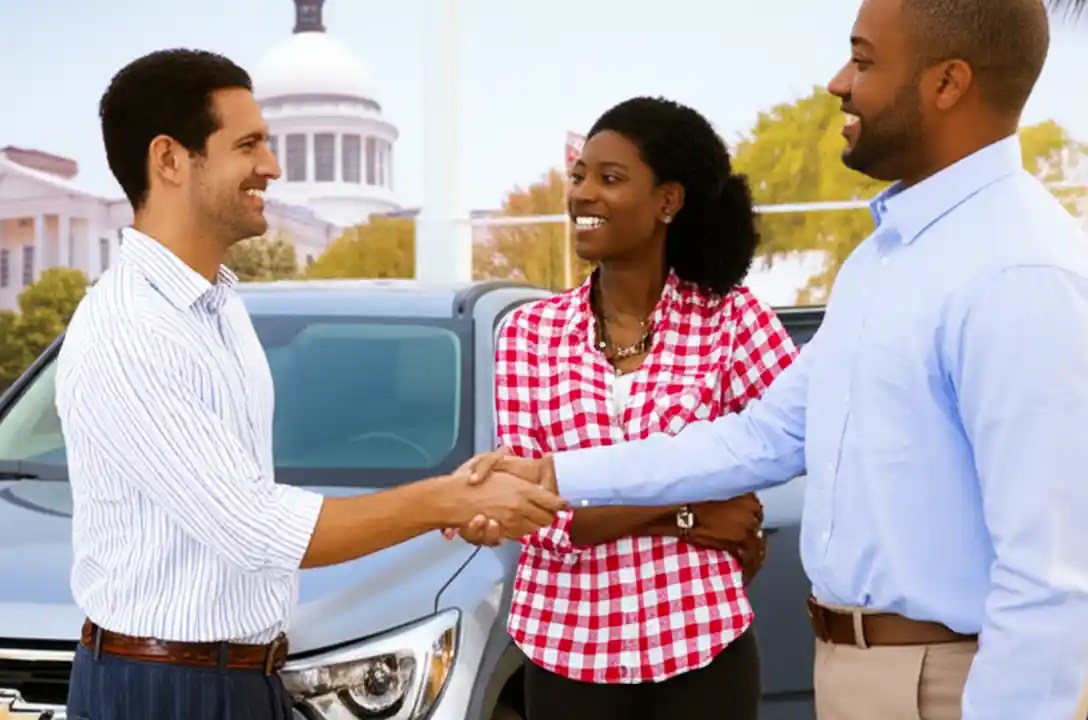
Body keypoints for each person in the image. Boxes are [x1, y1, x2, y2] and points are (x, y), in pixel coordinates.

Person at [465, 0, 1088, 718]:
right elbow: (766, 435)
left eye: (863, 59)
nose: (837, 83)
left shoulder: (1022, 273)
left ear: (946, 84)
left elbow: (1053, 582)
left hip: (948, 683)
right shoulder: (883, 262)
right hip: (860, 673)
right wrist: (554, 474)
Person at [53, 48, 565, 720]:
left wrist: (450, 495)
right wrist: (445, 500)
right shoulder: (131, 326)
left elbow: (254, 510)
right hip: (167, 691)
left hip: (244, 678)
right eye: (248, 145)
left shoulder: (220, 309)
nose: (273, 165)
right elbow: (258, 529)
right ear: (171, 161)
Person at [453, 97, 794, 719]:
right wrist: (691, 513)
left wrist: (718, 508)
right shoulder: (528, 334)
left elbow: (801, 439)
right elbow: (542, 515)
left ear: (667, 201)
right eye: (580, 175)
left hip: (703, 649)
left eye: (610, 179)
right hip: (568, 655)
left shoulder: (732, 321)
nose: (583, 194)